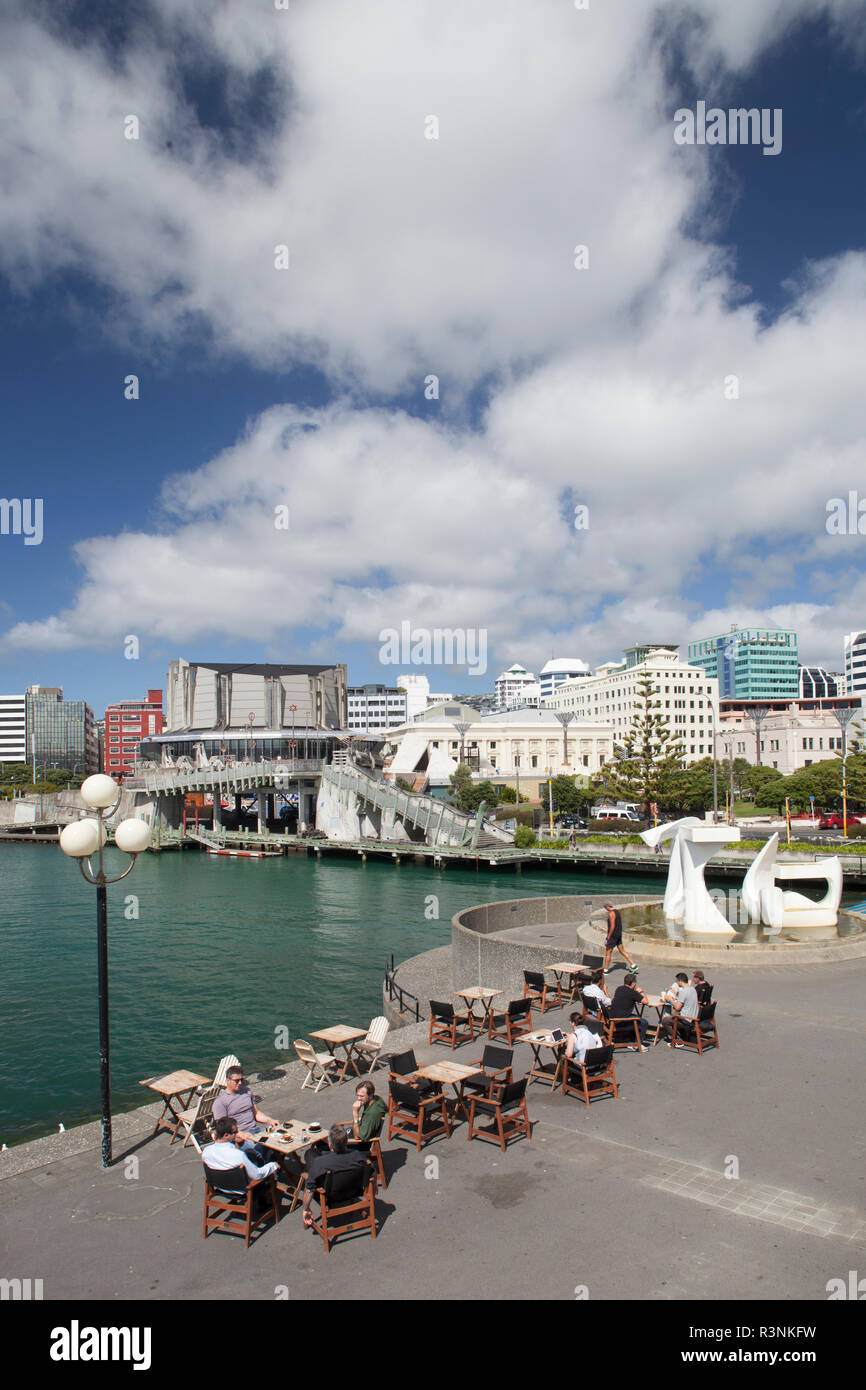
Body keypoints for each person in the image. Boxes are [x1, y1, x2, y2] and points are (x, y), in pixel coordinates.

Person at [302, 1123, 373, 1229]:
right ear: (347, 1142)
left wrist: (306, 1209)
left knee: (309, 1168)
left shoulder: (321, 1163)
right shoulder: (358, 1156)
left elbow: (309, 1189)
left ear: (330, 1145)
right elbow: (372, 1170)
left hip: (330, 1196)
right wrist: (374, 1183)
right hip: (354, 1191)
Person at [201, 1116, 279, 1205]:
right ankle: (264, 1203)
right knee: (266, 1161)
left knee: (253, 1158)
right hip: (241, 1190)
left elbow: (225, 1162)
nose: (238, 1133)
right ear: (226, 1135)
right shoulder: (238, 1156)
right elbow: (257, 1175)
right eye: (235, 1132)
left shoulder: (206, 1152)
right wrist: (273, 1166)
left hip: (220, 1187)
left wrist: (238, 1143)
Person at [212, 1065, 279, 1164]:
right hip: (240, 1135)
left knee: (279, 1139)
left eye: (241, 1080)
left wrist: (270, 1120)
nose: (240, 1083)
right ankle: (267, 1172)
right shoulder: (220, 1101)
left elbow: (256, 1113)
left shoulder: (247, 1091)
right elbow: (222, 1128)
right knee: (261, 1148)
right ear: (228, 1080)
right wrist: (239, 1134)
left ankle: (273, 1171)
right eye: (236, 1080)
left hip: (256, 1130)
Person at [609, 973, 651, 1051]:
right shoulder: (632, 993)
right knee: (644, 1022)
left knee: (635, 1017)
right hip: (620, 1021)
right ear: (633, 983)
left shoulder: (619, 989)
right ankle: (637, 1044)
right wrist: (641, 992)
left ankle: (632, 1040)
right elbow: (646, 1001)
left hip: (613, 1017)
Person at [660, 972, 700, 1045]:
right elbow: (685, 999)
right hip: (693, 1017)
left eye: (677, 981)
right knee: (673, 1016)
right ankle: (681, 1036)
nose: (676, 982)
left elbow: (677, 1007)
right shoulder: (693, 989)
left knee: (665, 1020)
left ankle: (677, 1040)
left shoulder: (683, 991)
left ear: (680, 981)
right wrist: (676, 994)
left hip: (686, 1019)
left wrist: (670, 1000)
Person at [603, 902, 637, 974]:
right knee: (622, 951)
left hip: (613, 936)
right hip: (618, 934)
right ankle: (633, 965)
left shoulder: (611, 913)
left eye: (605, 907)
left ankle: (605, 970)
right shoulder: (617, 911)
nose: (605, 909)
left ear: (607, 906)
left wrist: (608, 937)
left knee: (608, 952)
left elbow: (612, 926)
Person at [350, 1080, 387, 1144]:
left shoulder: (372, 1114)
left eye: (362, 1096)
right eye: (357, 1095)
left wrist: (355, 1112)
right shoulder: (376, 1099)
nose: (358, 1099)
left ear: (370, 1095)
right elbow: (386, 1109)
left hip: (360, 1144)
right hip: (362, 1128)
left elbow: (357, 1137)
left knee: (328, 1143)